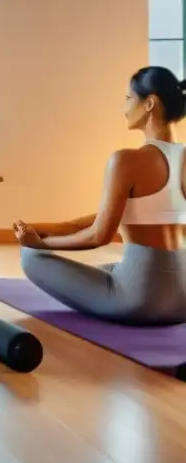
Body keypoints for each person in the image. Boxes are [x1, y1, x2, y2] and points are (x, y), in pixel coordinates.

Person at [15, 66, 186, 326]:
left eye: (128, 99)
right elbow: (131, 213)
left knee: (31, 258)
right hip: (182, 297)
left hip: (141, 300)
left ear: (149, 103)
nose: (123, 108)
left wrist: (40, 245)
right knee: (109, 268)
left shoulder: (126, 160)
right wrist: (48, 229)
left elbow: (99, 235)